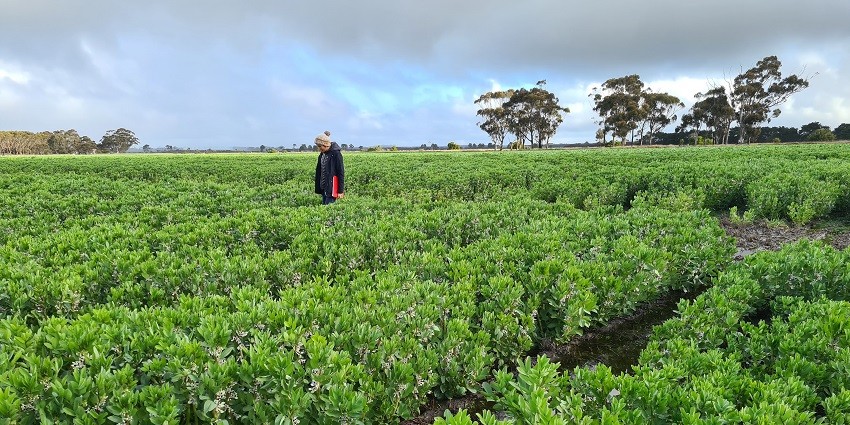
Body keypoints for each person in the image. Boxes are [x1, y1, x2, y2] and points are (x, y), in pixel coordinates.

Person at [314, 130, 345, 204]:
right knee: (323, 207)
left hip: (332, 189)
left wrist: (340, 191)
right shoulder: (322, 154)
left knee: (329, 208)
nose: (319, 148)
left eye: (320, 146)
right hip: (323, 188)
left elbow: (340, 173)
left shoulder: (336, 154)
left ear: (326, 145)